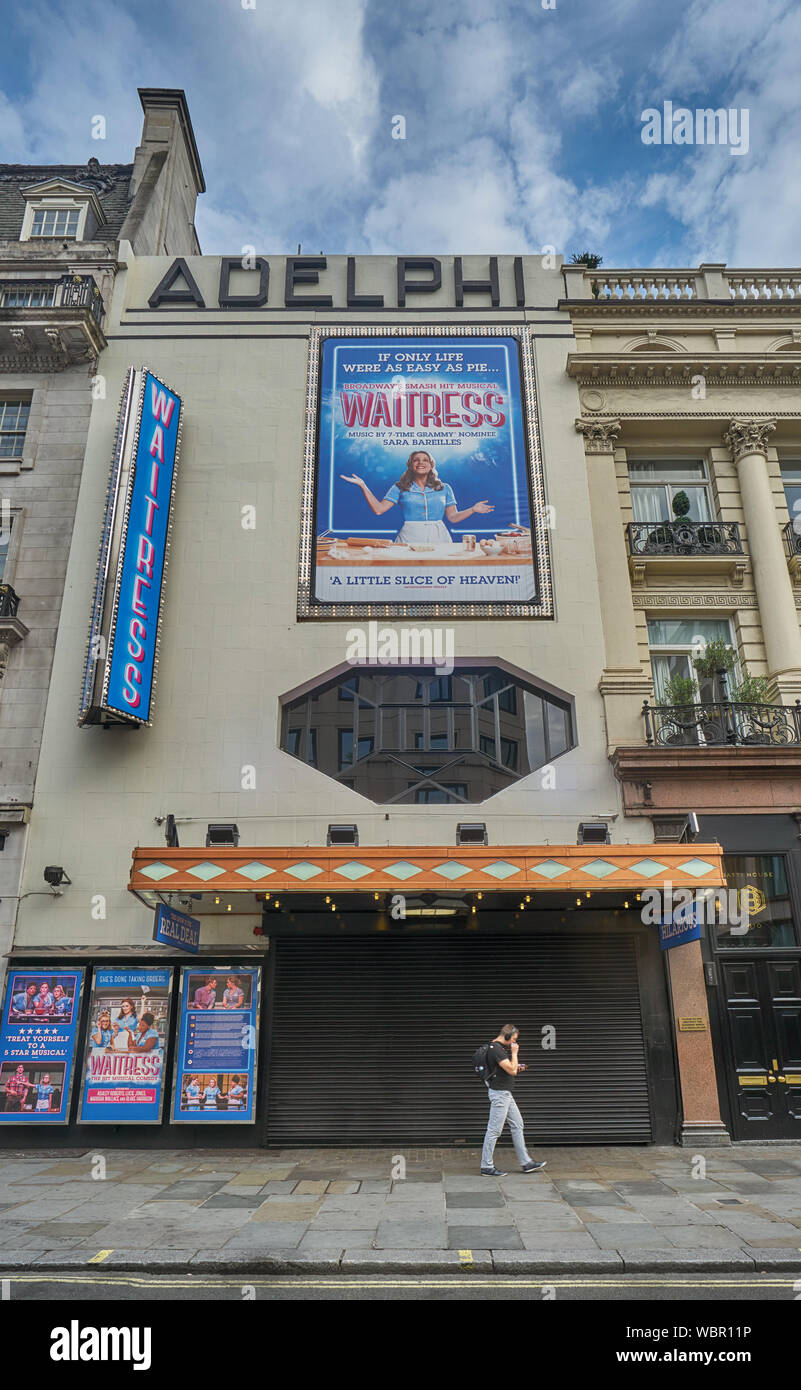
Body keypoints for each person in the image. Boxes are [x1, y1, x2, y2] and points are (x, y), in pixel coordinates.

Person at [341, 449, 494, 545]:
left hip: (439, 536)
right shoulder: (399, 487)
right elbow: (379, 510)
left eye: (425, 460)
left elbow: (453, 517)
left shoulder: (444, 488)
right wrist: (363, 486)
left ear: (431, 465)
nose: (421, 462)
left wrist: (473, 509)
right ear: (411, 465)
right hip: (410, 535)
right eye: (416, 460)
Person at [480, 1023, 546, 1177]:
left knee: (518, 1124)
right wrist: (515, 1053)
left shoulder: (499, 1049)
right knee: (494, 1130)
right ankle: (486, 1166)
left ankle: (526, 1162)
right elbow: (511, 1070)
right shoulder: (496, 1049)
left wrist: (517, 1066)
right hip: (500, 1094)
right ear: (507, 1036)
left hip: (506, 1094)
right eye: (514, 1040)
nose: (514, 1043)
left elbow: (510, 1068)